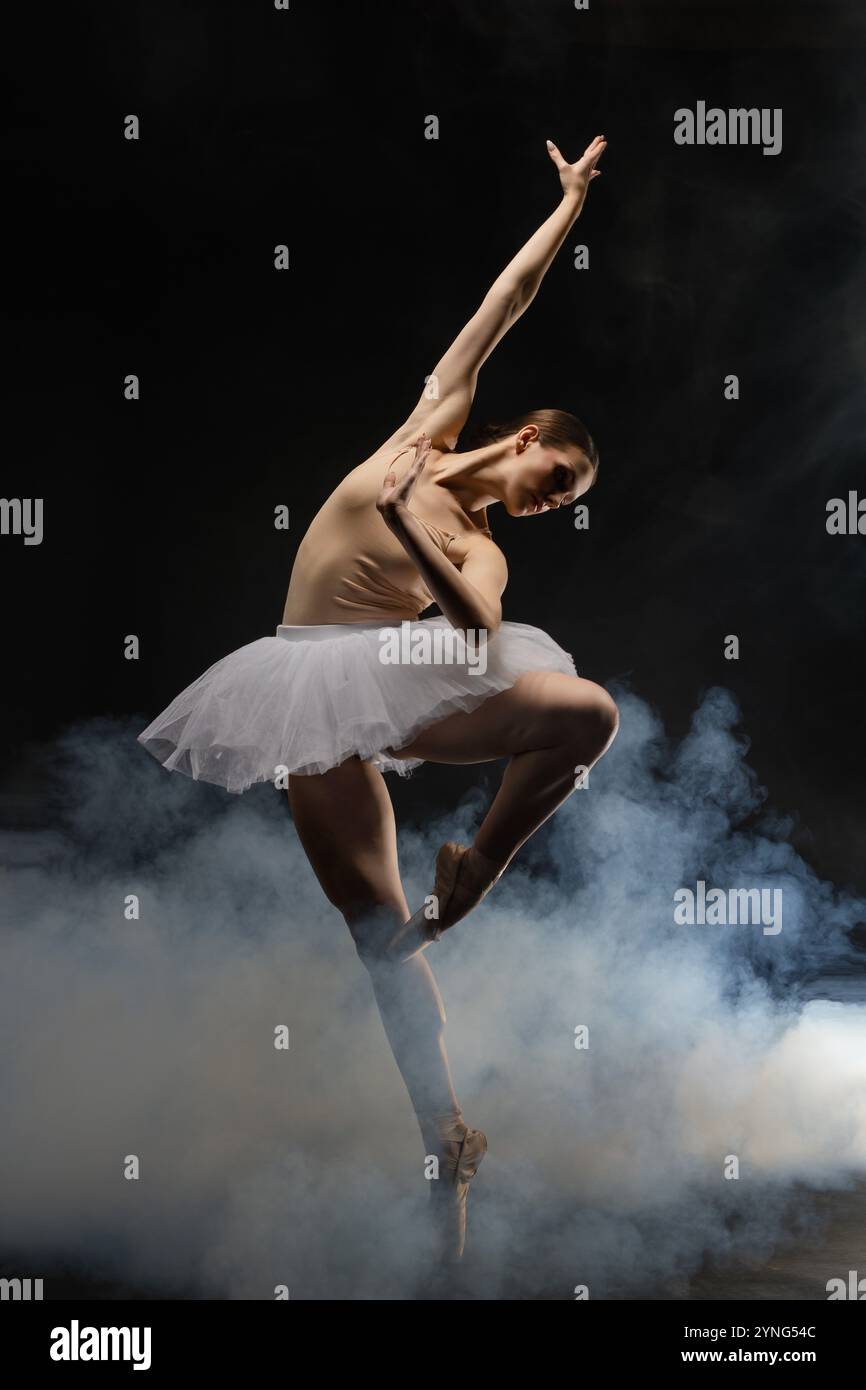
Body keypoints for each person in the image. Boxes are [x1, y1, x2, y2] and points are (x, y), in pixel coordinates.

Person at [139, 134, 619, 1261]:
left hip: (399, 676)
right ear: (526, 438)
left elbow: (480, 627)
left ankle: (479, 868)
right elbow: (507, 299)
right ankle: (443, 1152)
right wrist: (567, 208)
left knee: (585, 712)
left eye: (567, 502)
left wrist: (415, 526)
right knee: (377, 940)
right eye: (557, 481)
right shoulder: (434, 420)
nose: (553, 502)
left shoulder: (481, 544)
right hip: (300, 682)